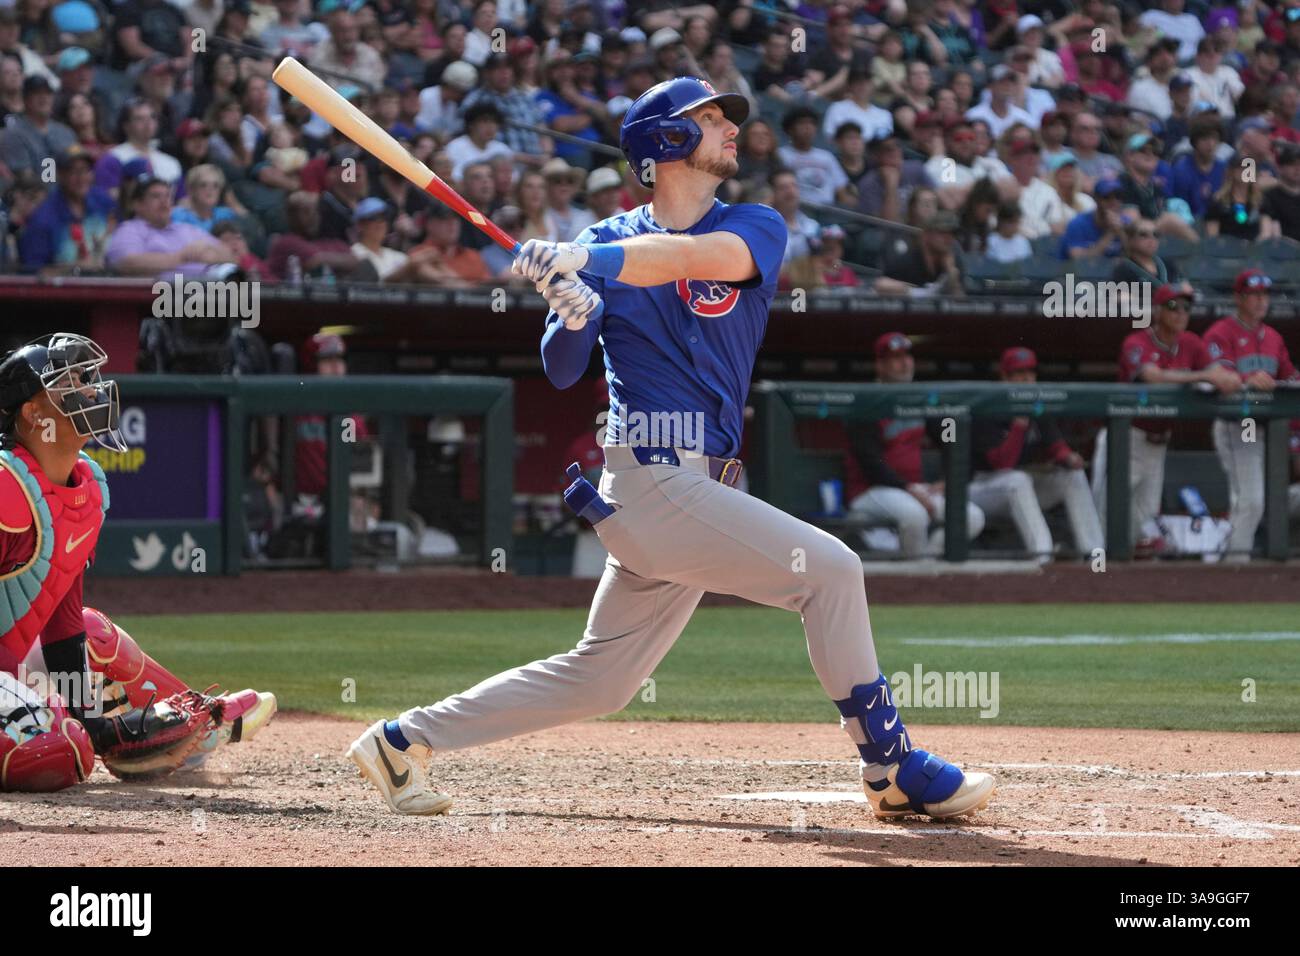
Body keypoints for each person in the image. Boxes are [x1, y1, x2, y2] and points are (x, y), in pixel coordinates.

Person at [346, 77, 996, 823]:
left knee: (603, 681)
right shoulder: (597, 246)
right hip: (652, 479)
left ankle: (401, 739)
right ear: (665, 142)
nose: (730, 131)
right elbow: (562, 369)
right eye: (710, 119)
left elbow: (691, 258)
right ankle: (892, 766)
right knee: (833, 573)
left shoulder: (751, 226)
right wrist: (572, 307)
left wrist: (587, 263)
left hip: (702, 490)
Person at [0, 334, 275, 792]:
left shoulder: (82, 488)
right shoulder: (7, 486)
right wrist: (60, 713)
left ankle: (195, 728)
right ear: (32, 412)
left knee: (93, 632)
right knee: (59, 753)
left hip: (8, 662)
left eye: (87, 380)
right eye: (69, 384)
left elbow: (63, 628)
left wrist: (89, 721)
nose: (91, 391)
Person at [1092, 284, 1242, 550]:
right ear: (1158, 311)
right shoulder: (1136, 342)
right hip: (1127, 438)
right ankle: (1093, 575)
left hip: (1158, 444)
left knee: (1144, 516)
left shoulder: (1192, 343)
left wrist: (1226, 377)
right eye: (1173, 307)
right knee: (1107, 513)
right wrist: (1203, 376)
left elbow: (1219, 375)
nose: (1181, 313)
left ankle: (1120, 575)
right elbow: (1153, 377)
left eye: (1186, 307)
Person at [844, 332, 985, 559]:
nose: (904, 362)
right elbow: (872, 465)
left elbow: (951, 441)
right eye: (895, 357)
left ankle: (926, 564)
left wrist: (948, 481)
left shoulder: (918, 399)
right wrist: (910, 489)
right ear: (880, 366)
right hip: (869, 491)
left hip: (914, 489)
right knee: (915, 515)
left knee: (971, 516)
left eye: (907, 356)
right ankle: (914, 570)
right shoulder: (866, 402)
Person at [968, 347, 1104, 561]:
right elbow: (1003, 463)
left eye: (1030, 373)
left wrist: (1068, 457)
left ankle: (1094, 554)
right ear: (1004, 377)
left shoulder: (1035, 402)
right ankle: (1042, 556)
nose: (1027, 379)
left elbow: (1055, 444)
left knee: (1072, 477)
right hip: (979, 489)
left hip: (1017, 489)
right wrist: (1019, 424)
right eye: (1019, 374)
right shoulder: (987, 406)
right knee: (1017, 479)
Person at [1204, 269, 1300, 560]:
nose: (1261, 301)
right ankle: (1236, 566)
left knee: (1256, 500)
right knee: (1251, 500)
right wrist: (1248, 379)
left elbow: (1289, 380)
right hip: (1239, 424)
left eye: (1264, 295)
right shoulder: (1220, 333)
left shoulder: (1273, 337)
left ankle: (1236, 559)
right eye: (1253, 295)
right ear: (1238, 297)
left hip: (1270, 429)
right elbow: (1220, 376)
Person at [105, 172, 234, 278]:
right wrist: (182, 257)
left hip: (205, 297)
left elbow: (231, 256)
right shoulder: (130, 230)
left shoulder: (186, 229)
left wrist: (208, 254)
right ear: (138, 205)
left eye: (167, 196)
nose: (164, 202)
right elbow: (128, 263)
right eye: (155, 196)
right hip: (157, 301)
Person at [17, 144, 112, 275]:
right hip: (63, 292)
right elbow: (33, 274)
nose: (81, 178)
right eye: (73, 171)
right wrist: (75, 268)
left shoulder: (103, 202)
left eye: (85, 170)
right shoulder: (43, 219)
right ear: (60, 175)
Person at [876, 208, 964, 295]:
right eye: (942, 232)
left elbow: (961, 302)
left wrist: (952, 275)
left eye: (952, 233)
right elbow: (881, 285)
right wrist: (914, 292)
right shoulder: (908, 258)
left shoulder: (954, 259)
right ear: (926, 235)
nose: (948, 238)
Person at [777, 105, 849, 206]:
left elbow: (842, 191)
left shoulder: (827, 157)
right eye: (802, 123)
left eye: (811, 123)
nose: (808, 127)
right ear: (790, 129)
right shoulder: (780, 155)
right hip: (796, 209)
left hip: (827, 211)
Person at [1261, 142, 1300, 240]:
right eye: (1292, 164)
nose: (1297, 168)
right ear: (1280, 168)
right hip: (1281, 251)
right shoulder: (1269, 197)